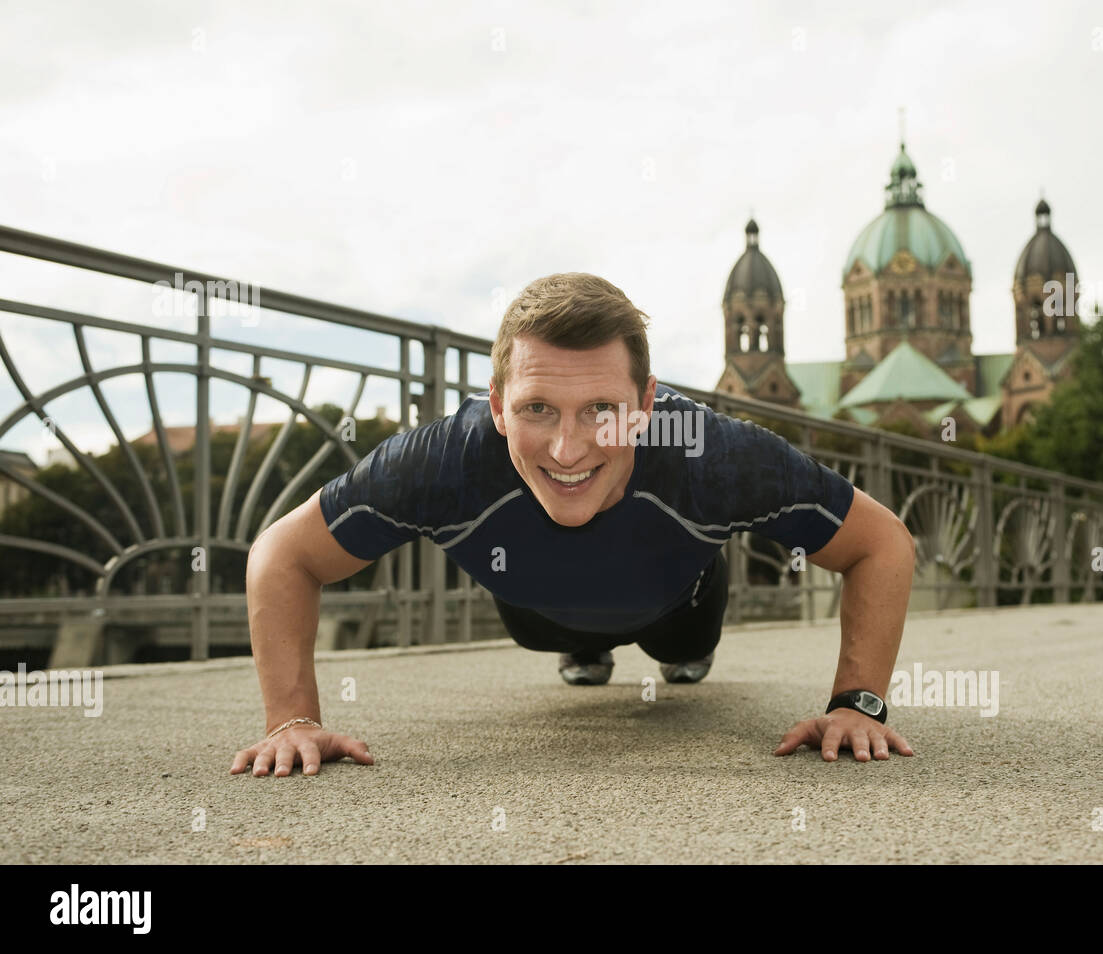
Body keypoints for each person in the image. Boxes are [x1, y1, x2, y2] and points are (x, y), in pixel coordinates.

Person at [231, 273, 915, 778]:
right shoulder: (445, 459)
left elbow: (881, 543)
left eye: (600, 410)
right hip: (537, 615)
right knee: (549, 623)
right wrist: (292, 721)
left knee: (681, 654)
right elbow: (283, 555)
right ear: (496, 405)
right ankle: (584, 648)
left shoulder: (713, 452)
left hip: (680, 604)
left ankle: (674, 642)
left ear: (647, 403)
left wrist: (858, 705)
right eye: (536, 410)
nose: (567, 448)